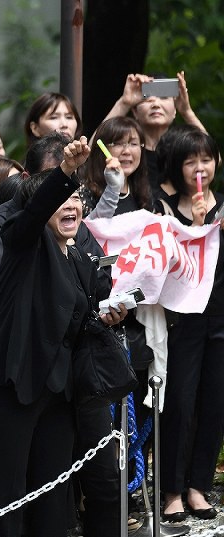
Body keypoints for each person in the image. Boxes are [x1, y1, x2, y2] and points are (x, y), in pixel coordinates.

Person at [0, 137, 125, 537]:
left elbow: (80, 319)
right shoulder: (25, 245)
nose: (71, 204)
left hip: (59, 392)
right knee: (6, 501)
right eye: (63, 198)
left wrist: (110, 315)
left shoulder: (76, 255)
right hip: (13, 386)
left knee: (52, 498)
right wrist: (64, 172)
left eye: (76, 197)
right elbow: (33, 212)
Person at [158, 129, 224, 522]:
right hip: (183, 318)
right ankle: (171, 490)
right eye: (190, 161)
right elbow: (168, 268)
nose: (200, 168)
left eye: (206, 159)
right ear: (178, 167)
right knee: (180, 403)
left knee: (214, 402)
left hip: (221, 316)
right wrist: (195, 229)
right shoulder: (166, 209)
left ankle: (198, 486)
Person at [103, 71, 208, 195]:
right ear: (135, 112)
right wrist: (124, 103)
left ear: (175, 110)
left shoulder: (181, 148)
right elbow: (93, 148)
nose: (156, 104)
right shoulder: (126, 152)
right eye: (147, 99)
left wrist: (186, 111)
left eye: (163, 98)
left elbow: (214, 158)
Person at [79, 117, 153, 218]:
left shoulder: (142, 192)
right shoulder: (85, 192)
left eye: (134, 144)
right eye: (118, 144)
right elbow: (88, 230)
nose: (127, 151)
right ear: (101, 149)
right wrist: (112, 190)